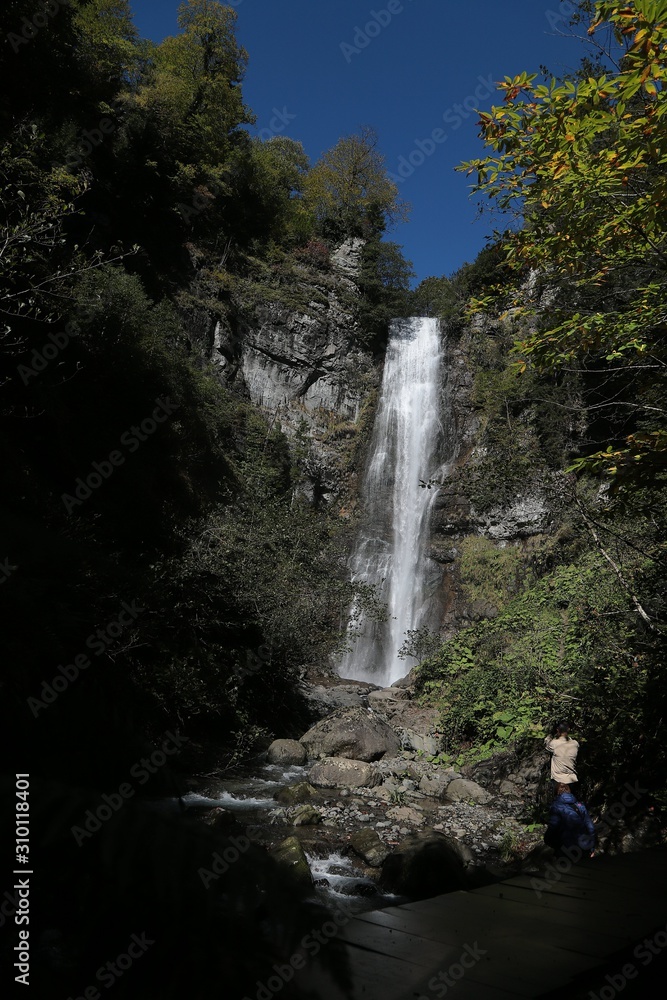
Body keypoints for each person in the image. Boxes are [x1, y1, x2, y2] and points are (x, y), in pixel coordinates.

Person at [544, 782, 596, 858]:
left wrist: (548, 841)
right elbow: (591, 828)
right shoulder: (580, 805)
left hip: (567, 849)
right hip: (584, 846)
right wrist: (592, 848)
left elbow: (552, 829)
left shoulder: (556, 807)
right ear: (569, 791)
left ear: (556, 792)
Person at [544, 721, 579, 794]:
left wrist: (550, 734)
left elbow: (546, 744)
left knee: (559, 800)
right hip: (571, 778)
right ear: (568, 729)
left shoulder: (554, 743)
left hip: (558, 779)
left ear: (557, 730)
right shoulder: (575, 744)